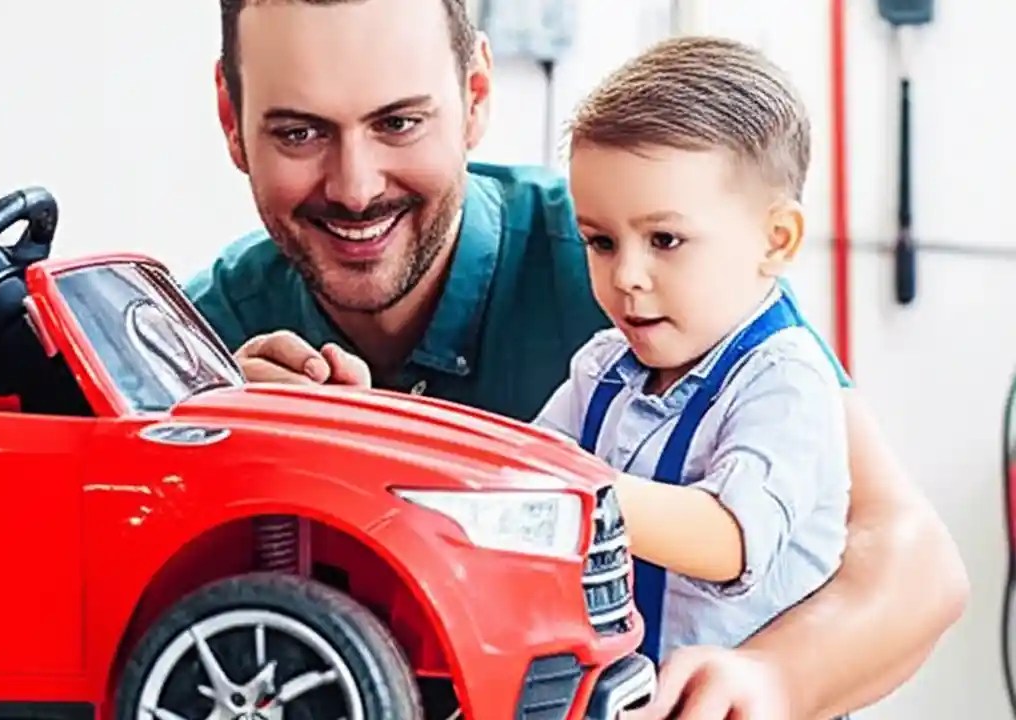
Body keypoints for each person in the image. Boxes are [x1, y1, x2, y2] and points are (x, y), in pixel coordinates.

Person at [184, 0, 969, 716]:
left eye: (399, 124)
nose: (355, 188)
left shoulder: (671, 284)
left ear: (476, 95)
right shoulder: (197, 336)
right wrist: (276, 443)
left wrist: (769, 677)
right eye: (299, 133)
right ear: (229, 118)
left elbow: (916, 565)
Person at [530, 36, 850, 670]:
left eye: (665, 239)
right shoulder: (601, 369)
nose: (626, 275)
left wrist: (568, 493)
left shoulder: (786, 383)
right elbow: (522, 462)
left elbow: (727, 536)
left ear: (776, 239)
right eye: (600, 241)